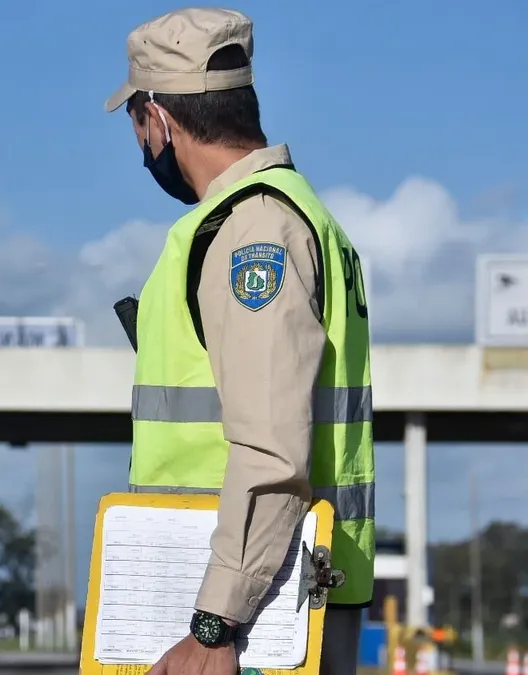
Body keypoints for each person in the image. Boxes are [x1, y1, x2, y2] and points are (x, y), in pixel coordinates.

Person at [103, 8, 374, 675]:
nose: (141, 143)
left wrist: (214, 624)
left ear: (156, 119)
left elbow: (271, 444)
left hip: (253, 616)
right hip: (272, 593)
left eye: (136, 123)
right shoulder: (295, 217)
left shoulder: (253, 234)